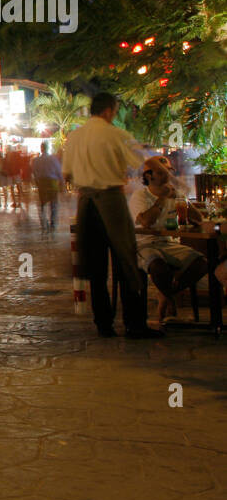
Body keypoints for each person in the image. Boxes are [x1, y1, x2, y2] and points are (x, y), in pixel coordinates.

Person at [62, 93, 161, 339]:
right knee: (126, 261)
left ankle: (103, 324)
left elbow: (67, 173)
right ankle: (134, 324)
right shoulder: (115, 134)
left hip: (85, 203)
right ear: (109, 111)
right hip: (111, 200)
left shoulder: (75, 136)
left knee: (95, 267)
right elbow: (140, 162)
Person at [129, 156, 207, 324]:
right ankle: (171, 298)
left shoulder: (175, 194)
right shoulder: (140, 196)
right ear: (149, 176)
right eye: (162, 172)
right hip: (145, 244)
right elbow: (146, 221)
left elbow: (199, 218)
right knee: (158, 266)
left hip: (169, 243)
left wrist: (183, 204)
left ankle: (166, 295)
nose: (168, 175)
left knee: (201, 263)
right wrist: (163, 199)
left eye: (169, 171)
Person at [30, 142, 64, 233]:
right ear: (48, 148)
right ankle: (52, 224)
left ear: (41, 148)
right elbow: (59, 172)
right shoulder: (53, 159)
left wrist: (36, 182)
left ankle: (44, 223)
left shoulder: (36, 160)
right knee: (53, 205)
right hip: (52, 184)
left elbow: (34, 172)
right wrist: (62, 184)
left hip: (41, 184)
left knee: (42, 205)